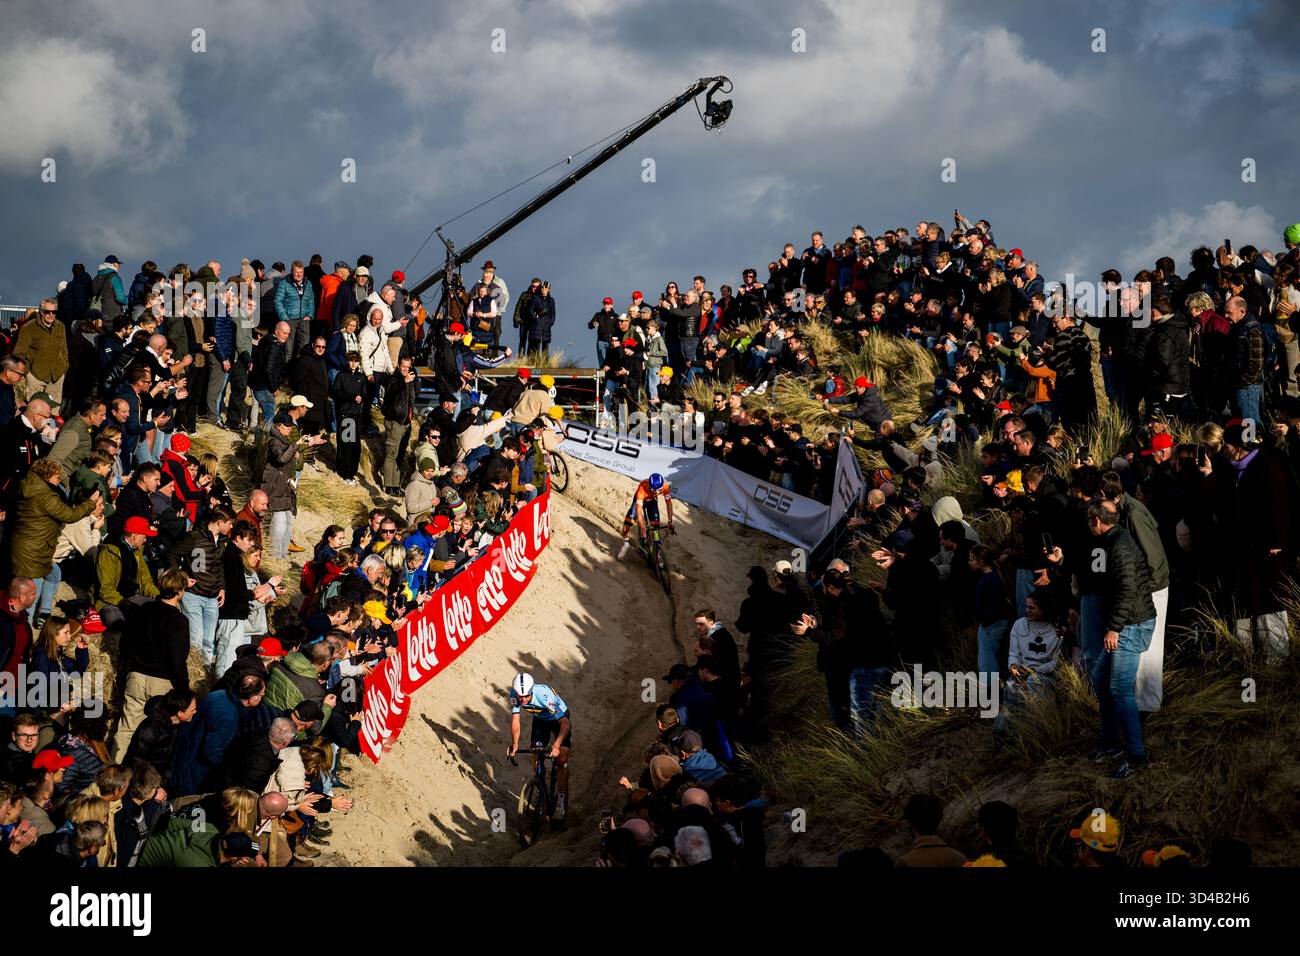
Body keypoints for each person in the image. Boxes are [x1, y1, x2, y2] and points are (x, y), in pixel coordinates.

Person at [110, 569, 192, 759]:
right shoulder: (179, 620)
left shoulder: (142, 610)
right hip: (162, 682)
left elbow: (125, 642)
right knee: (156, 734)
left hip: (137, 677)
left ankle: (114, 774)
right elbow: (177, 659)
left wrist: (129, 667)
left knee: (126, 730)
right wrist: (183, 689)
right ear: (180, 591)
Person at [505, 672, 571, 821]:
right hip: (540, 720)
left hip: (559, 719)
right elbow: (516, 720)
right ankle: (541, 789)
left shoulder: (543, 695)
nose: (522, 700)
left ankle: (561, 802)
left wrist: (556, 744)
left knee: (562, 760)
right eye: (519, 697)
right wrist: (515, 744)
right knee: (536, 754)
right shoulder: (514, 694)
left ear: (532, 691)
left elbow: (565, 723)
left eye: (526, 697)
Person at [617, 472, 673, 559]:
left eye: (659, 490)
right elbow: (639, 511)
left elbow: (668, 503)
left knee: (655, 526)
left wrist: (670, 520)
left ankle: (656, 545)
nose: (657, 492)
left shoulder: (665, 486)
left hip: (652, 501)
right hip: (640, 501)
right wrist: (642, 526)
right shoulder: (642, 488)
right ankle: (625, 543)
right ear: (650, 486)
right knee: (628, 522)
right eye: (654, 490)